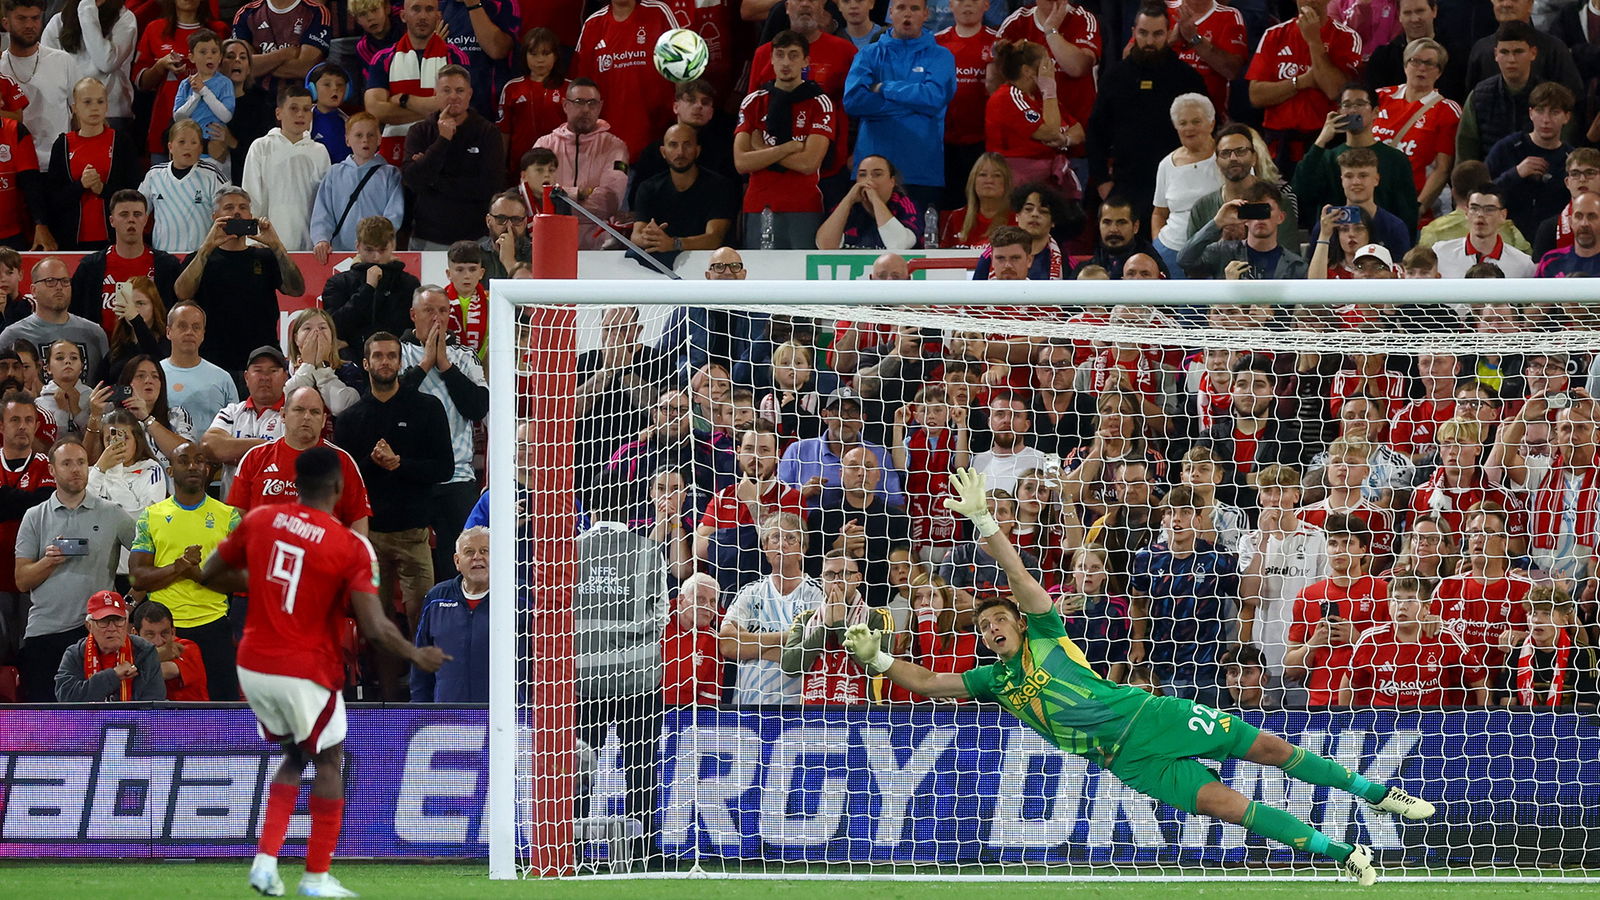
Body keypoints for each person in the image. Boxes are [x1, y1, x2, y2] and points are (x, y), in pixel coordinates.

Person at [845, 468, 1433, 883]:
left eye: (1002, 619)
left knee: (1271, 747)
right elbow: (924, 684)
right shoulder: (994, 682)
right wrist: (877, 660)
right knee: (1231, 807)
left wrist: (983, 522)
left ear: (1020, 624)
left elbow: (1022, 578)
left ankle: (1380, 795)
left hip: (1152, 715)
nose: (995, 628)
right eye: (987, 626)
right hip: (1130, 762)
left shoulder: (1047, 633)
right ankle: (1344, 855)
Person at [199, 446, 446, 899]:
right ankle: (315, 877)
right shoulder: (349, 545)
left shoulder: (261, 520)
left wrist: (262, 585)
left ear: (297, 484)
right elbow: (373, 627)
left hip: (253, 664)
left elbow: (209, 573)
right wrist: (415, 655)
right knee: (330, 760)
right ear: (337, 488)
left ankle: (266, 863)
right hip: (304, 666)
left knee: (296, 755)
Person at [573, 482, 668, 860]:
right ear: (630, 515)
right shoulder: (647, 550)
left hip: (584, 679)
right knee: (641, 765)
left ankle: (571, 847)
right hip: (638, 678)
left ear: (591, 513)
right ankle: (644, 850)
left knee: (578, 765)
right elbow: (661, 614)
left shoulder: (570, 552)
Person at [334, 331, 452, 634]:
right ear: (364, 363)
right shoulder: (349, 419)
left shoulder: (427, 407)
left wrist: (400, 463)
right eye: (377, 356)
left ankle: (422, 682)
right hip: (369, 536)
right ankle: (385, 685)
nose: (385, 362)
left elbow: (444, 468)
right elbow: (344, 482)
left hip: (414, 532)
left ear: (401, 362)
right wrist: (372, 463)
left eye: (391, 356)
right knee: (377, 626)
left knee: (423, 617)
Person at [14, 436, 136, 701]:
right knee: (44, 723)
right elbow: (22, 581)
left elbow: (146, 557)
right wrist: (48, 561)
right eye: (67, 463)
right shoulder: (34, 516)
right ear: (52, 470)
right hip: (44, 632)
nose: (76, 469)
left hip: (95, 633)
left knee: (91, 721)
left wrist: (129, 604)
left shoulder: (112, 513)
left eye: (81, 462)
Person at [127, 440, 239, 699]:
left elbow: (241, 580)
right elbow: (138, 577)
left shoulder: (229, 516)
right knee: (165, 714)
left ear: (208, 469)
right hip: (164, 632)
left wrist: (196, 574)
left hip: (214, 627)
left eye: (199, 460)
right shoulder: (151, 516)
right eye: (184, 461)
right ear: (170, 470)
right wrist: (179, 567)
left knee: (223, 715)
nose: (193, 466)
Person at [398, 286, 489, 581]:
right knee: (411, 569)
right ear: (413, 315)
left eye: (443, 311)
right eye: (428, 311)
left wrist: (446, 367)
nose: (436, 318)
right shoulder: (396, 352)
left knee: (461, 566)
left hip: (458, 477)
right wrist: (426, 364)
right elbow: (392, 404)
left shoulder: (464, 356)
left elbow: (477, 407)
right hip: (410, 477)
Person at [1086, 3, 1207, 215]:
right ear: (1133, 32)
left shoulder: (1187, 78)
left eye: (1157, 34)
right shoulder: (1115, 77)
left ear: (1169, 34)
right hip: (1125, 184)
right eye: (1143, 33)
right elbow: (1096, 133)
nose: (1150, 41)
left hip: (1177, 184)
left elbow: (1206, 132)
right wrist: (1102, 182)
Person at [844, 0, 957, 219]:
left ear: (925, 14)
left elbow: (934, 98)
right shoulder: (868, 54)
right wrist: (913, 105)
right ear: (890, 13)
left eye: (914, 9)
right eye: (901, 8)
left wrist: (885, 87)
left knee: (920, 249)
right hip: (871, 174)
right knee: (867, 248)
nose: (908, 14)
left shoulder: (942, 56)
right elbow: (854, 101)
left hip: (922, 172)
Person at [172, 186, 306, 371]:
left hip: (260, 360)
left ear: (251, 215)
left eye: (243, 208)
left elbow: (296, 289)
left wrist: (277, 246)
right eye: (229, 208)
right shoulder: (200, 258)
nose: (237, 212)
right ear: (215, 217)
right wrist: (206, 249)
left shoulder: (265, 257)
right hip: (213, 360)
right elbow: (182, 293)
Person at [734, 30, 835, 250]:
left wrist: (762, 150)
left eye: (793, 55)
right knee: (760, 279)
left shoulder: (820, 103)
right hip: (758, 204)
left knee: (801, 279)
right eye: (779, 55)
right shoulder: (753, 102)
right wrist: (787, 148)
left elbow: (808, 164)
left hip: (803, 206)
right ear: (771, 59)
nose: (785, 62)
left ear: (806, 61)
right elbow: (741, 162)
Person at [228, 386, 370, 533]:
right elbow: (236, 518)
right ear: (283, 415)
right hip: (264, 553)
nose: (307, 417)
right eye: (299, 410)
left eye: (315, 412)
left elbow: (357, 523)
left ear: (323, 421)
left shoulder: (342, 461)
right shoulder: (255, 457)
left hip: (321, 554)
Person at [1283, 513, 1391, 705]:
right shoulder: (1307, 596)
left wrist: (1358, 639)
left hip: (1369, 703)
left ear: (1363, 550)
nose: (1339, 550)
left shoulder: (1383, 591)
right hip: (1319, 703)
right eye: (1332, 543)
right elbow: (1291, 669)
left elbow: (1399, 655)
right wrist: (1314, 642)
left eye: (1347, 543)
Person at [720, 510, 825, 705]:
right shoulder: (750, 592)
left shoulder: (816, 594)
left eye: (791, 538)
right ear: (765, 546)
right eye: (775, 537)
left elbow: (808, 653)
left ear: (803, 548)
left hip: (799, 711)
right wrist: (788, 637)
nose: (782, 544)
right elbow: (727, 644)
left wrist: (748, 642)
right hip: (748, 706)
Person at [1244, 0, 1363, 170]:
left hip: (1328, 141)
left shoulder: (1347, 36)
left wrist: (1314, 41)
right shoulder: (1274, 34)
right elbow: (1256, 96)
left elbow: (1335, 91)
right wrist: (1300, 82)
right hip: (1279, 144)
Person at [1295, 84, 1422, 237]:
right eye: (1347, 105)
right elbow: (1301, 191)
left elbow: (1407, 211)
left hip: (1383, 242)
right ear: (1339, 111)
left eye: (1360, 104)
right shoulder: (1326, 158)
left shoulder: (1395, 159)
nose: (1353, 110)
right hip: (1336, 244)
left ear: (1375, 112)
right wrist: (1321, 140)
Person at [1341, 575, 1489, 705]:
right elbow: (1348, 686)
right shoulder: (1371, 639)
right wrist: (1344, 725)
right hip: (1383, 724)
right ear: (1388, 605)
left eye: (1411, 600)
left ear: (1426, 608)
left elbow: (1481, 684)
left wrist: (1485, 726)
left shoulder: (1444, 638)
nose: (1402, 607)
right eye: (1396, 600)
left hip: (1433, 725)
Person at [400, 64, 504, 250]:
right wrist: (443, 140)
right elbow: (412, 180)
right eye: (446, 90)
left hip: (476, 239)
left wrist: (433, 180)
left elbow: (489, 187)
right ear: (436, 94)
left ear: (469, 94)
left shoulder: (487, 132)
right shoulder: (419, 132)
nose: (453, 96)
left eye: (460, 90)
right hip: (428, 238)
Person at [360, 0, 469, 166]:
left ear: (438, 16)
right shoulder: (383, 58)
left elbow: (459, 106)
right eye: (416, 9)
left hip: (445, 155)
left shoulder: (456, 57)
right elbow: (375, 110)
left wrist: (404, 100)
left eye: (429, 9)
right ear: (403, 16)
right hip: (395, 157)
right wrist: (436, 109)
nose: (423, 16)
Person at [573, 0, 679, 162]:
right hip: (609, 144)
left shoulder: (658, 12)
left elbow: (684, 65)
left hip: (659, 137)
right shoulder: (592, 25)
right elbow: (579, 87)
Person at [69, 190, 183, 339]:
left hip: (154, 353)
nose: (131, 220)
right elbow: (74, 315)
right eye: (124, 215)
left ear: (146, 220)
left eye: (137, 214)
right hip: (104, 354)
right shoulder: (90, 267)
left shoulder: (167, 266)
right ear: (112, 221)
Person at [42, 78, 138, 253]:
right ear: (75, 108)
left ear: (107, 106)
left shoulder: (121, 141)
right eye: (87, 102)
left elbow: (134, 192)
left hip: (114, 240)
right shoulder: (63, 144)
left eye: (100, 101)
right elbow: (54, 199)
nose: (95, 107)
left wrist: (102, 189)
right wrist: (80, 186)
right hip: (71, 241)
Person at [532, 78, 628, 251]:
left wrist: (558, 197)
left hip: (599, 248)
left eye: (592, 103)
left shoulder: (615, 146)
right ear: (565, 105)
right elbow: (535, 197)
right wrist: (580, 194)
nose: (586, 109)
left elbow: (608, 202)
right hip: (551, 245)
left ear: (600, 106)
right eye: (579, 102)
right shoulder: (543, 145)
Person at [1369, 38, 1461, 215]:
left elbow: (1442, 169)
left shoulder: (1447, 110)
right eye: (1415, 61)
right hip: (1372, 199)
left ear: (1439, 72)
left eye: (1429, 63)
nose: (1422, 68)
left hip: (1414, 204)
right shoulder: (1379, 97)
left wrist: (1417, 208)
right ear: (1405, 65)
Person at [997, 0, 1102, 153]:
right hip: (1029, 143)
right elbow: (997, 78)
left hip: (1076, 136)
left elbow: (1078, 67)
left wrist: (1051, 31)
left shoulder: (1083, 18)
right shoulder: (1017, 21)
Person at [628, 123, 736, 266]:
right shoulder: (648, 188)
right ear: (663, 151)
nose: (680, 152)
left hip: (710, 265)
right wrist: (649, 238)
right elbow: (636, 235)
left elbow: (714, 238)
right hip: (661, 268)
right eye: (673, 145)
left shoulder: (719, 186)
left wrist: (674, 244)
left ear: (697, 150)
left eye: (687, 145)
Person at [133, 0, 229, 160]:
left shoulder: (220, 30)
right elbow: (140, 81)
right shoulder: (154, 29)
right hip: (165, 122)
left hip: (209, 127)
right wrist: (160, 66)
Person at [239, 83, 329, 252]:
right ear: (278, 113)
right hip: (267, 246)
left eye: (306, 109)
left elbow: (324, 204)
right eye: (293, 108)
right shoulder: (261, 147)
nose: (300, 114)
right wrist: (252, 242)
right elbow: (251, 197)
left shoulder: (320, 152)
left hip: (309, 248)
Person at [1186, 124, 1302, 251]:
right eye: (1225, 153)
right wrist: (1217, 228)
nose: (1233, 158)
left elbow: (1290, 259)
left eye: (1241, 151)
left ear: (1254, 158)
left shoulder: (1278, 202)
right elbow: (1189, 261)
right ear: (1217, 162)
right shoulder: (1202, 207)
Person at [0, 392, 54, 662]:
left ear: (36, 426)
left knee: (28, 653)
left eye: (29, 420)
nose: (22, 426)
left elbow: (44, 508)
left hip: (33, 579)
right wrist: (27, 502)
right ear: (1, 426)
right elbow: (34, 505)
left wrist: (5, 498)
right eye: (15, 420)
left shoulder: (47, 466)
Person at [1457, 22, 1557, 164]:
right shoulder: (1479, 97)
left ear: (1533, 53)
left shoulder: (1551, 97)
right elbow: (1466, 151)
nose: (1511, 60)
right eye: (1504, 52)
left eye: (1518, 52)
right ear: (1496, 54)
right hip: (1491, 181)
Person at [1485, 81, 1575, 239]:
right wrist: (1516, 173)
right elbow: (1481, 193)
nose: (1546, 120)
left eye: (1554, 112)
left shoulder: (1572, 159)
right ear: (1531, 113)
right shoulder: (1508, 148)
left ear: (1566, 117)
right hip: (1505, 239)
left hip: (1554, 242)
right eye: (1540, 111)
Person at [410, 525, 489, 702]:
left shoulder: (518, 598)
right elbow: (421, 662)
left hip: (505, 720)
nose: (477, 557)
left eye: (485, 550)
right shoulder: (436, 598)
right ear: (457, 561)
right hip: (447, 721)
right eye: (469, 552)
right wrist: (418, 711)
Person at [0, 256, 110, 383]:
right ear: (34, 290)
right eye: (50, 281)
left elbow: (106, 384)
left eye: (65, 281)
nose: (59, 287)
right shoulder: (12, 335)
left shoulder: (95, 333)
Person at [309, 113, 404, 259]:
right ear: (347, 139)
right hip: (339, 253)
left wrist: (378, 241)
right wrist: (321, 239)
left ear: (379, 139)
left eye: (371, 135)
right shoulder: (334, 173)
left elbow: (394, 214)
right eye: (359, 135)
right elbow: (323, 212)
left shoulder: (390, 174)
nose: (365, 140)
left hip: (376, 253)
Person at [985, 39, 1077, 189]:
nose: (1052, 68)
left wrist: (1065, 139)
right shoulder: (1007, 98)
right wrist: (1049, 89)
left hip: (1047, 179)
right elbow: (1051, 132)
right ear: (1027, 71)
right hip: (1017, 180)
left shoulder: (1039, 97)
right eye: (1047, 64)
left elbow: (1078, 130)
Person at [321, 216, 420, 351]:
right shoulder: (338, 284)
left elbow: (416, 329)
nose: (376, 257)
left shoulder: (409, 284)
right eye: (369, 250)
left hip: (399, 360)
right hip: (353, 360)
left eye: (382, 250)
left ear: (393, 245)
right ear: (358, 246)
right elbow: (333, 327)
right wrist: (367, 289)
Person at [1150, 92, 1221, 278]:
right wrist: (1158, 244)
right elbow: (1159, 213)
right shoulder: (1166, 164)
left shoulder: (1228, 157)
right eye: (1183, 123)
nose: (1189, 128)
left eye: (1196, 121)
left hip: (1217, 253)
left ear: (1211, 123)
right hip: (1170, 252)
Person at [936, 0, 998, 208]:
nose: (967, 6)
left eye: (974, 1)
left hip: (983, 140)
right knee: (948, 203)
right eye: (961, 1)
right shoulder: (936, 42)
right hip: (943, 141)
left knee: (980, 202)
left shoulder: (998, 41)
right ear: (950, 5)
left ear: (987, 5)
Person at [2, 0, 77, 172]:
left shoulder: (63, 60)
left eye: (35, 18)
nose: (29, 25)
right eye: (22, 19)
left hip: (57, 165)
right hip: (11, 165)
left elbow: (77, 115)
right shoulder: (1, 66)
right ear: (6, 23)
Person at [200, 345, 287, 490]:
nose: (265, 377)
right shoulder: (232, 412)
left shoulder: (293, 414)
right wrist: (269, 446)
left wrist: (233, 452)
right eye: (258, 371)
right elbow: (209, 446)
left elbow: (289, 457)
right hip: (232, 511)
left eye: (273, 371)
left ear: (285, 376)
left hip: (275, 510)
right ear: (246, 377)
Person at [1180, 183, 1308, 280]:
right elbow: (1185, 260)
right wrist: (1217, 222)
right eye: (1254, 211)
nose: (1259, 218)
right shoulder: (1223, 252)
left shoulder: (1295, 265)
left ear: (1281, 217)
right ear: (1245, 218)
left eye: (1265, 210)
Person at [138, 119, 230, 255]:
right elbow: (137, 212)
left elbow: (228, 213)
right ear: (170, 147)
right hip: (163, 257)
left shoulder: (212, 175)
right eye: (182, 142)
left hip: (201, 255)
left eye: (194, 143)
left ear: (200, 148)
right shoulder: (154, 175)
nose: (188, 147)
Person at [53, 588, 163, 701]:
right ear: (89, 626)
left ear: (126, 622)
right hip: (89, 718)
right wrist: (113, 676)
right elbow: (66, 698)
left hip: (133, 718)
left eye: (118, 620)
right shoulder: (75, 654)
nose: (112, 628)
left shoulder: (144, 651)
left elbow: (153, 700)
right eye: (104, 621)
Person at [1506, 584, 1600, 708]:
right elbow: (1506, 708)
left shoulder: (1582, 654)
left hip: (1568, 725)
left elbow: (1586, 711)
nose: (1537, 620)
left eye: (1546, 613)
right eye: (1532, 613)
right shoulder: (1515, 652)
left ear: (1564, 619)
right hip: (1524, 725)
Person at [496, 27, 564, 186]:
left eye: (546, 54)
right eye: (533, 54)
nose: (540, 60)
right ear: (524, 55)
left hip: (558, 168)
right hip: (519, 166)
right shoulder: (512, 88)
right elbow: (504, 131)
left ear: (556, 56)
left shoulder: (568, 88)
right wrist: (500, 165)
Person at [1364, 0, 1468, 101]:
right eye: (1407, 13)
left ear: (1434, 11)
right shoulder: (1383, 57)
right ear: (1399, 16)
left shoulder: (1458, 54)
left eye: (1420, 11)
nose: (1414, 19)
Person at [159, 302, 235, 437]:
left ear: (203, 334)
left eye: (196, 327)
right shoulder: (155, 375)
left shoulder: (222, 378)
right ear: (168, 332)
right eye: (182, 326)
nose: (189, 332)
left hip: (212, 457)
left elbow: (234, 426)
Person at [817, 153, 921, 250]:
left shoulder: (905, 205)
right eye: (862, 175)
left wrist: (875, 200)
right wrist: (848, 200)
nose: (869, 180)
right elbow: (825, 245)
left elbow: (899, 245)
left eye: (877, 174)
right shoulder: (848, 207)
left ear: (892, 181)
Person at [229, 0, 331, 95]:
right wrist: (285, 54)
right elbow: (242, 66)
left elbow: (305, 68)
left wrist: (260, 64)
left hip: (300, 99)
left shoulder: (316, 11)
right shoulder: (245, 13)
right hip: (255, 97)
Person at [1165, 0, 1248, 116]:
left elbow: (1232, 71)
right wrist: (1170, 41)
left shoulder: (1229, 15)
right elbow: (1132, 58)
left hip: (1209, 116)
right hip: (1162, 111)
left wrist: (1194, 39)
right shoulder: (1163, 8)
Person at [1432, 186, 1536, 276]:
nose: (1480, 214)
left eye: (1489, 209)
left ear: (1503, 215)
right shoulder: (1440, 253)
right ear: (1466, 213)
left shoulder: (1523, 264)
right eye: (1474, 208)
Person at [283, 308, 360, 418]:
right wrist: (308, 365)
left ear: (332, 337)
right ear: (296, 338)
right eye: (307, 328)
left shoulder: (349, 370)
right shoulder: (283, 370)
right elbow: (289, 405)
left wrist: (321, 366)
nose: (316, 333)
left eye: (322, 328)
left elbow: (342, 408)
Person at [660, 572, 723, 705]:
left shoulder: (714, 642)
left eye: (713, 602)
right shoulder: (656, 627)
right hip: (643, 714)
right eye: (700, 599)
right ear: (681, 600)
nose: (708, 607)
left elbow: (709, 700)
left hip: (686, 719)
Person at [131, 597, 208, 700]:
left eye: (164, 633)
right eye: (150, 635)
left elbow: (157, 673)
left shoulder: (187, 648)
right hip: (152, 714)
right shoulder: (129, 652)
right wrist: (158, 655)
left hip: (192, 715)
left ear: (173, 632)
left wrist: (130, 666)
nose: (158, 641)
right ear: (135, 634)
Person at [1531, 148, 1600, 261]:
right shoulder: (1549, 228)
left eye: (1590, 173)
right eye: (1575, 174)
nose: (1582, 179)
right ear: (1567, 182)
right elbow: (1541, 275)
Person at [170, 29, 236, 145]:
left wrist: (204, 91)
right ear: (192, 57)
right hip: (190, 146)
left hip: (215, 148)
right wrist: (196, 95)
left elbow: (226, 116)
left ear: (220, 57)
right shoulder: (185, 84)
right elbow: (178, 117)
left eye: (214, 52)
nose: (209, 56)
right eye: (203, 52)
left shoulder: (225, 83)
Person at [942, 151, 1014, 248]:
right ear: (973, 181)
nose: (989, 181)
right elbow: (942, 256)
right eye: (983, 175)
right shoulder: (956, 217)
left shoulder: (1018, 219)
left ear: (1006, 183)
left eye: (996, 175)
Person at [1537, 190, 1600, 277]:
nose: (1584, 223)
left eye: (1592, 216)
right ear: (1570, 222)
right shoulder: (1550, 261)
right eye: (1578, 216)